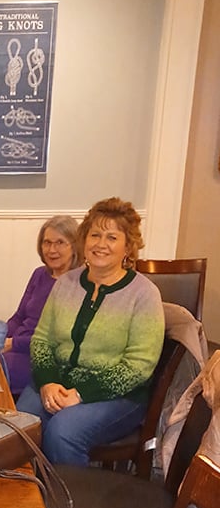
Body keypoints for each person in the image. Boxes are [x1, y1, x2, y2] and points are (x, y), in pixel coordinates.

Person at [16, 197, 165, 466]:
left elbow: (139, 366)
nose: (100, 244)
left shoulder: (144, 294)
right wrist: (48, 381)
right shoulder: (66, 283)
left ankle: (69, 503)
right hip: (56, 383)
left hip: (116, 396)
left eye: (111, 237)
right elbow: (41, 340)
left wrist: (81, 393)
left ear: (128, 246)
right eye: (95, 235)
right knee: (20, 425)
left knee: (63, 432)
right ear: (84, 240)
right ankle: (28, 495)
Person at [3, 216, 82, 396]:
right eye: (47, 242)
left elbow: (57, 338)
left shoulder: (78, 283)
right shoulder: (39, 274)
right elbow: (19, 317)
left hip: (43, 358)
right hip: (16, 347)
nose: (52, 249)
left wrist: (12, 343)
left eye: (60, 242)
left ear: (74, 246)